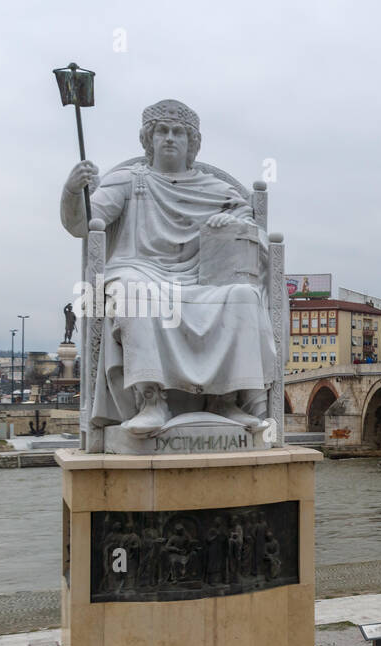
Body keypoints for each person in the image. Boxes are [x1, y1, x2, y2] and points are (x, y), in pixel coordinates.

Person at [60, 99, 276, 439]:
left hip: (198, 279)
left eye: (179, 132)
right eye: (162, 131)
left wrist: (230, 220)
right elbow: (84, 225)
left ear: (192, 142)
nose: (170, 138)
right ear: (149, 139)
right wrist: (73, 190)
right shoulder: (128, 182)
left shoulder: (215, 190)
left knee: (244, 296)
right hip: (138, 269)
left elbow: (253, 232)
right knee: (133, 292)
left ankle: (226, 399)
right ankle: (151, 400)